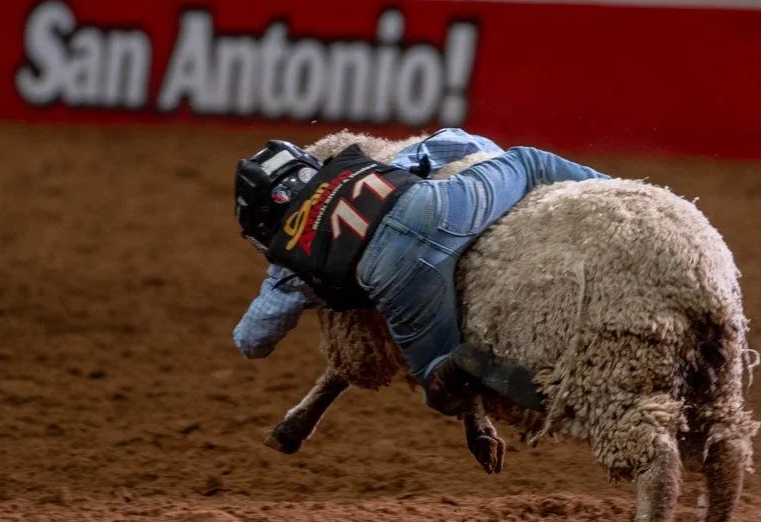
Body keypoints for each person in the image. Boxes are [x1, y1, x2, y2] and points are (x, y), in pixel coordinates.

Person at [232, 129, 610, 412]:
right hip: (436, 207)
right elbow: (450, 142)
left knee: (436, 380)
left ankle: (464, 367)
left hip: (394, 277)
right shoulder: (352, 168)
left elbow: (254, 340)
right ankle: (622, 193)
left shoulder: (289, 259)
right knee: (529, 162)